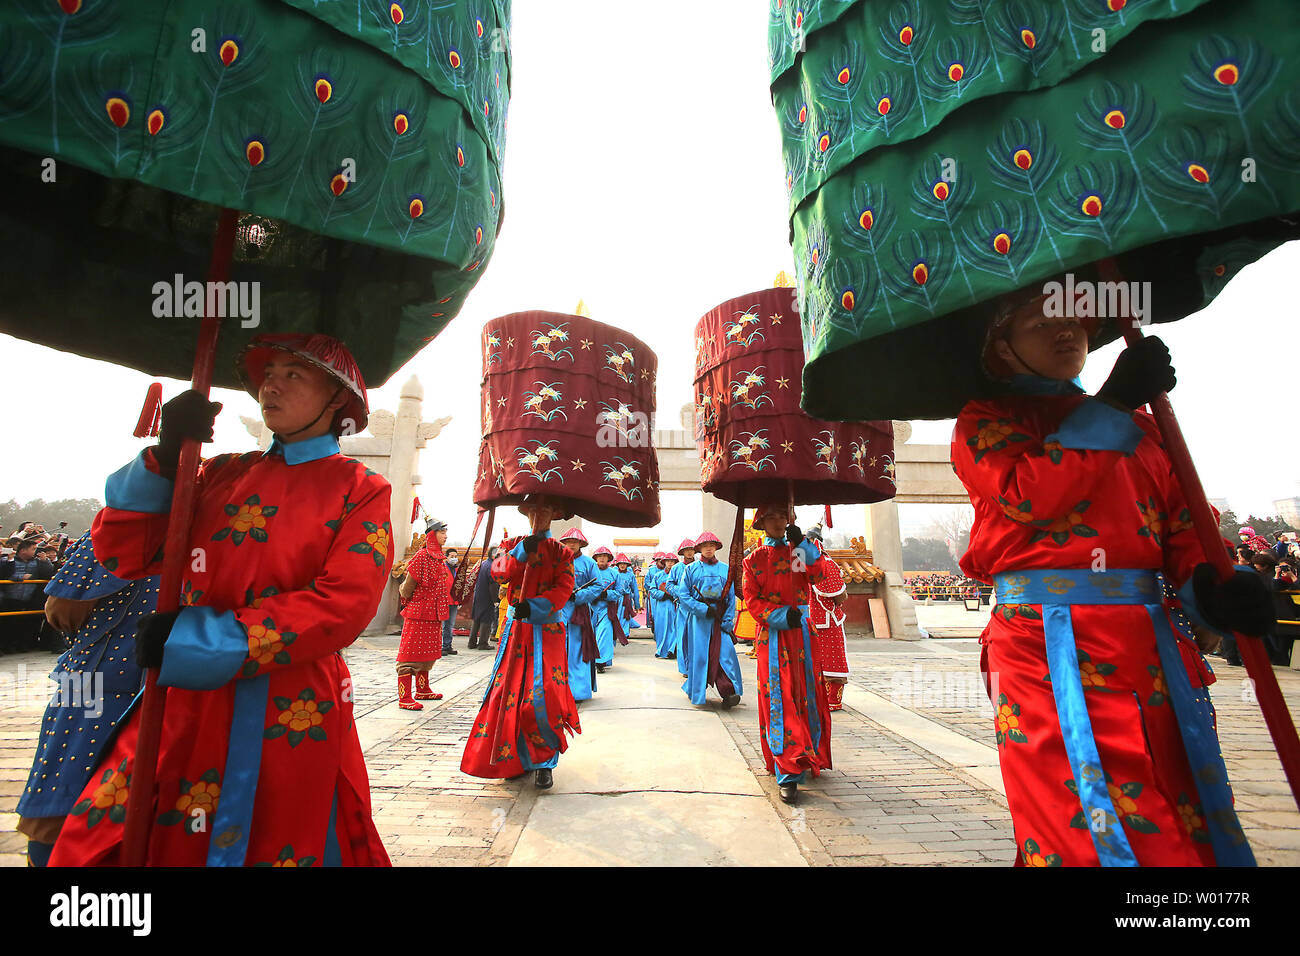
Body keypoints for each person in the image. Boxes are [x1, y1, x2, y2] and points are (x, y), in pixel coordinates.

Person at [49, 332, 392, 867]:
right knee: (133, 829)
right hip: (188, 694)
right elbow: (127, 551)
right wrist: (166, 455)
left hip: (291, 699)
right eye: (267, 374)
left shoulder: (360, 486)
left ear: (338, 400)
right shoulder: (221, 471)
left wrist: (200, 638)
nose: (270, 385)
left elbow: (345, 603)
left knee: (278, 831)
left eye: (293, 374)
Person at [950, 287, 1264, 866]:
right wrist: (1114, 404)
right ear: (1000, 345)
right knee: (1082, 817)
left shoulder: (1148, 428)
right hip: (1044, 644)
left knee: (1178, 794)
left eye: (1075, 317)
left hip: (1151, 648)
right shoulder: (986, 421)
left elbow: (1184, 523)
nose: (1067, 330)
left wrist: (1217, 586)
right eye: (1042, 322)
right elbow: (1031, 495)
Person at [16, 533, 153, 865]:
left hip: (91, 686)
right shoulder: (212, 535)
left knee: (60, 810)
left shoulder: (111, 536)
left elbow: (62, 610)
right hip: (173, 688)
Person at [461, 499, 579, 790]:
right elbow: (498, 571)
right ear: (527, 515)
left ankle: (544, 763)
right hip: (516, 633)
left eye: (546, 510)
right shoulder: (511, 544)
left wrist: (536, 607)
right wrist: (520, 553)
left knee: (545, 694)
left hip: (547, 631)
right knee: (509, 692)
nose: (539, 515)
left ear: (555, 514)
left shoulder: (562, 552)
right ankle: (512, 758)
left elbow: (563, 588)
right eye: (534, 511)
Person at [743, 505, 832, 804]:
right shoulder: (753, 561)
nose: (779, 522)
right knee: (779, 698)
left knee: (804, 694)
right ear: (762, 522)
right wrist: (781, 616)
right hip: (774, 635)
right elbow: (753, 601)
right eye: (772, 517)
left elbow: (817, 575)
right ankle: (788, 769)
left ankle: (808, 754)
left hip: (804, 637)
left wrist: (805, 545)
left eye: (783, 516)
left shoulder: (797, 552)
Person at [676, 531, 743, 708]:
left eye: (711, 546)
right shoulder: (690, 570)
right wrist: (703, 609)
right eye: (704, 546)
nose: (708, 549)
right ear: (699, 549)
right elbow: (684, 595)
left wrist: (728, 620)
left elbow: (730, 597)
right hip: (699, 621)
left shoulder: (725, 569)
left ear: (716, 548)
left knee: (724, 654)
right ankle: (697, 691)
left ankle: (729, 692)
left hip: (720, 619)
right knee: (700, 656)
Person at [397, 518, 453, 710]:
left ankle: (422, 689)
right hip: (419, 613)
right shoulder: (421, 557)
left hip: (434, 613)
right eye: (442, 532)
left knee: (428, 653)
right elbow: (406, 588)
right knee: (409, 655)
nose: (445, 536)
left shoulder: (439, 558)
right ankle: (404, 697)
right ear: (432, 534)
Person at [805, 526, 849, 711]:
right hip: (812, 618)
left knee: (829, 659)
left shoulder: (819, 564)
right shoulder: (824, 563)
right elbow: (841, 596)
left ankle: (830, 699)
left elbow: (837, 594)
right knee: (814, 659)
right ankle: (824, 699)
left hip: (825, 619)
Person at [559, 529, 601, 701]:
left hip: (579, 612)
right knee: (559, 650)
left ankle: (578, 691)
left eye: (575, 542)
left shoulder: (589, 563)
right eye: (568, 541)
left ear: (580, 544)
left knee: (578, 650)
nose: (571, 544)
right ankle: (559, 689)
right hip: (559, 612)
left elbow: (597, 586)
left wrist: (578, 596)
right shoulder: (557, 561)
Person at [0, 534, 57, 653]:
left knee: (25, 623)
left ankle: (24, 645)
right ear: (23, 550)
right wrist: (20, 577)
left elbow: (47, 574)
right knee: (8, 624)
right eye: (33, 549)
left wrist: (45, 561)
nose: (35, 551)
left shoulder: (37, 562)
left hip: (29, 597)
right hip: (10, 597)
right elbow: (5, 574)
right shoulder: (9, 560)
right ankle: (6, 646)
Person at [588, 545, 622, 673]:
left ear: (609, 558)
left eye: (604, 556)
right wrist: (591, 595)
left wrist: (606, 595)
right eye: (599, 556)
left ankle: (600, 662)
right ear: (595, 558)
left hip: (606, 610)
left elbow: (619, 592)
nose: (602, 558)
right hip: (590, 608)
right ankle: (590, 658)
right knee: (590, 635)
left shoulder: (614, 574)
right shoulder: (590, 571)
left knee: (604, 634)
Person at [666, 538, 696, 676]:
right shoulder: (676, 568)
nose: (689, 552)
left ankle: (696, 666)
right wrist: (682, 593)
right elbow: (669, 585)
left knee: (696, 637)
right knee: (682, 636)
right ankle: (684, 668)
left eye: (692, 549)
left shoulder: (700, 566)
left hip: (697, 607)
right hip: (682, 607)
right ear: (682, 552)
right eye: (686, 550)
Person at [468, 546, 502, 650]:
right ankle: (483, 643)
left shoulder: (483, 564)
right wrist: (495, 600)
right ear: (493, 555)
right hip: (487, 597)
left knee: (477, 619)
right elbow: (493, 585)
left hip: (479, 595)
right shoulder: (492, 566)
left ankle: (472, 642)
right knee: (486, 620)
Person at [614, 553, 640, 638]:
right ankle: (616, 632)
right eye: (620, 563)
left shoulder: (630, 575)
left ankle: (624, 634)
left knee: (625, 616)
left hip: (626, 599)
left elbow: (635, 589)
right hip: (615, 598)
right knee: (616, 615)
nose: (622, 565)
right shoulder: (613, 573)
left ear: (627, 565)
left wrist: (637, 605)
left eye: (624, 564)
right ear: (617, 564)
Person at [442, 546, 461, 656]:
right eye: (451, 556)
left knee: (450, 624)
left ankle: (448, 645)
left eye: (455, 556)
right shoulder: (442, 568)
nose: (454, 558)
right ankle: (444, 646)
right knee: (445, 625)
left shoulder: (457, 570)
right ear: (446, 557)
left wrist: (459, 600)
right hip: (444, 600)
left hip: (454, 601)